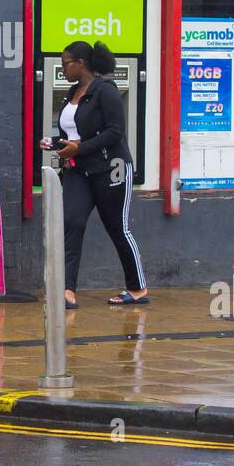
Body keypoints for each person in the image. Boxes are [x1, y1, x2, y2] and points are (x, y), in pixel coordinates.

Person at [40, 40, 148, 309]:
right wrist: (55, 143)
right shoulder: (72, 92)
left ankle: (137, 288)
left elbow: (115, 132)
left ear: (81, 64)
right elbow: (76, 134)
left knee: (117, 228)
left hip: (111, 169)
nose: (63, 68)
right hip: (80, 170)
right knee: (71, 222)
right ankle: (67, 291)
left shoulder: (106, 91)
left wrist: (80, 148)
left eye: (66, 63)